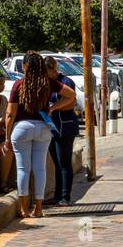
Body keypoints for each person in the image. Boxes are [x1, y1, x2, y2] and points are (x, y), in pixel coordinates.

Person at [4, 52, 75, 218]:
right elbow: (71, 94)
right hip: (43, 128)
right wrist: (53, 107)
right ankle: (38, 209)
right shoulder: (49, 83)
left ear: (24, 67)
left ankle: (23, 209)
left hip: (22, 128)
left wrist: (7, 137)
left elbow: (10, 113)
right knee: (39, 168)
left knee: (23, 168)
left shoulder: (18, 85)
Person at [44, 56, 79, 206]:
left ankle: (65, 196)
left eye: (47, 72)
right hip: (51, 126)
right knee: (56, 162)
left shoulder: (65, 82)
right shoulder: (46, 83)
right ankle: (57, 195)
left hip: (65, 125)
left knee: (64, 161)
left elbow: (71, 103)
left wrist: (53, 108)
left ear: (53, 69)